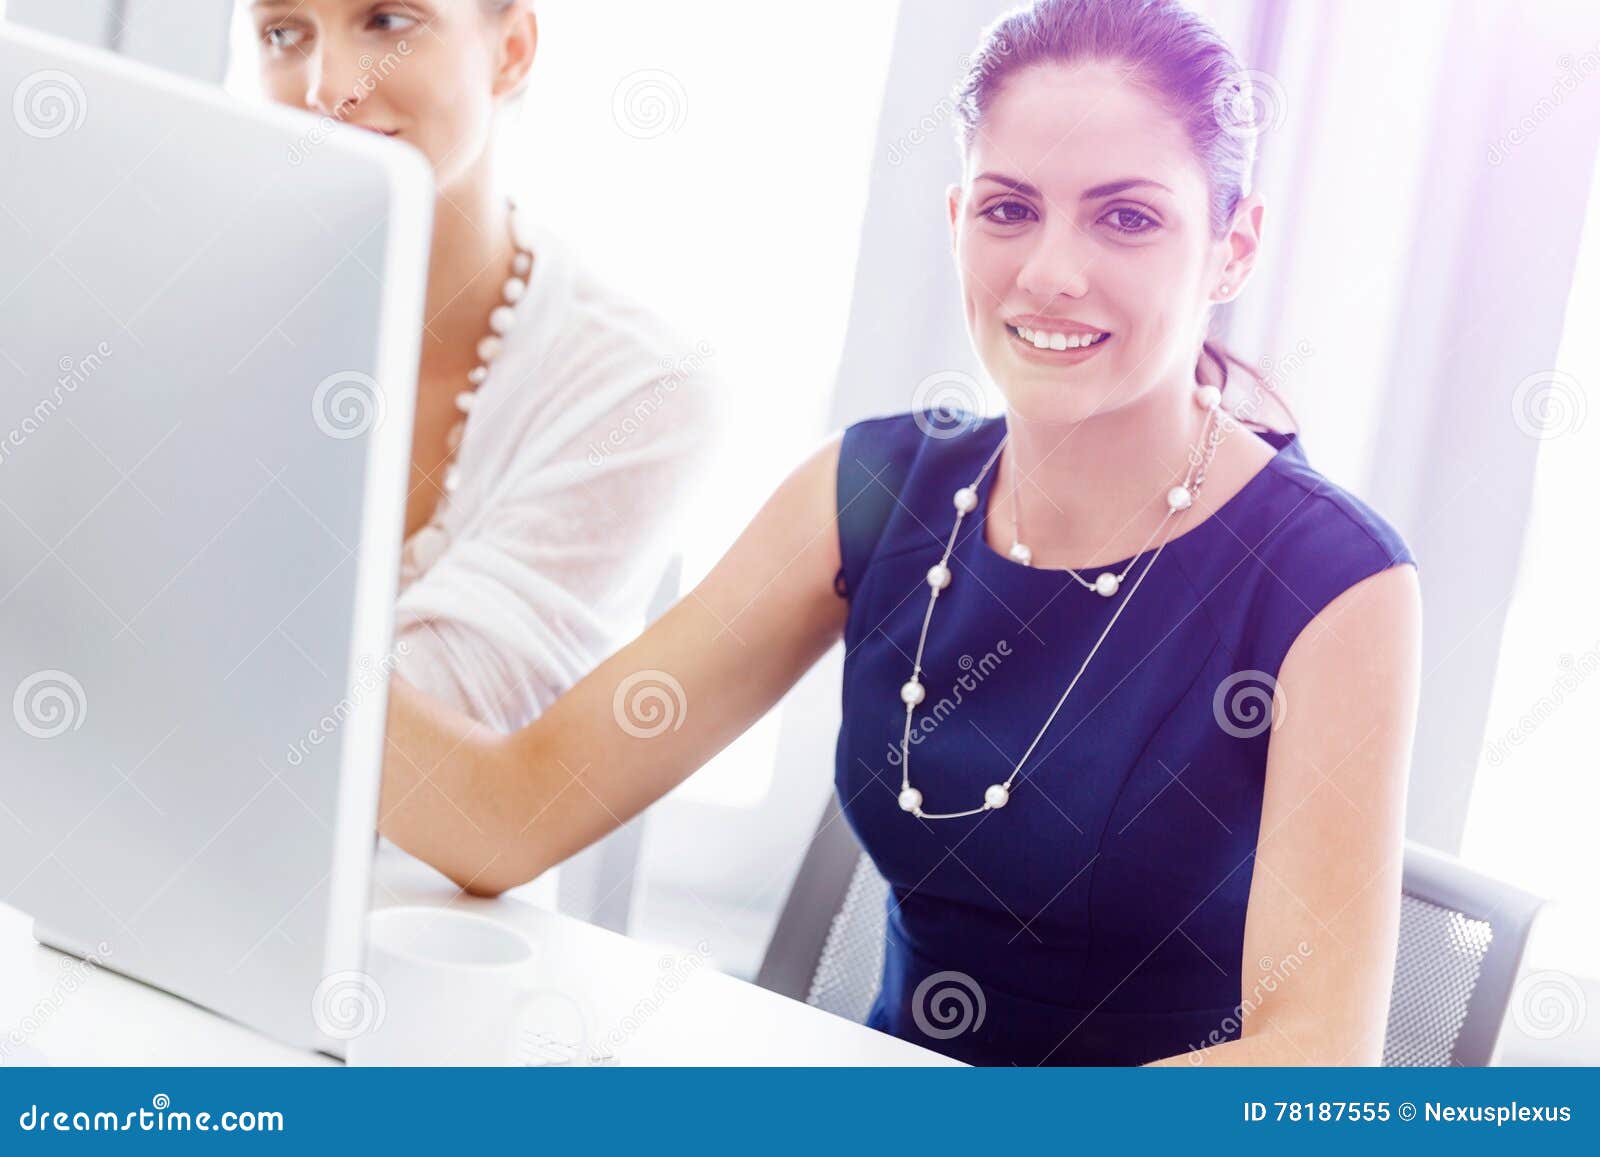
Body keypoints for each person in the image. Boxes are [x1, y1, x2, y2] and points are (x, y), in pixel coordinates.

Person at [377, 0, 1422, 1067]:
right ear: (958, 217)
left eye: (1126, 218)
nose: (1051, 271)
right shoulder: (876, 489)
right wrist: (279, 622)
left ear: (1232, 248)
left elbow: (1316, 1057)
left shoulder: (1333, 577)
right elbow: (512, 816)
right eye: (1009, 209)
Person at [245, 0, 722, 737]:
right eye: (284, 32)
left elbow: (409, 738)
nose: (324, 88)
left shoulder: (640, 389)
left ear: (512, 50)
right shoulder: (201, 312)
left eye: (387, 21)